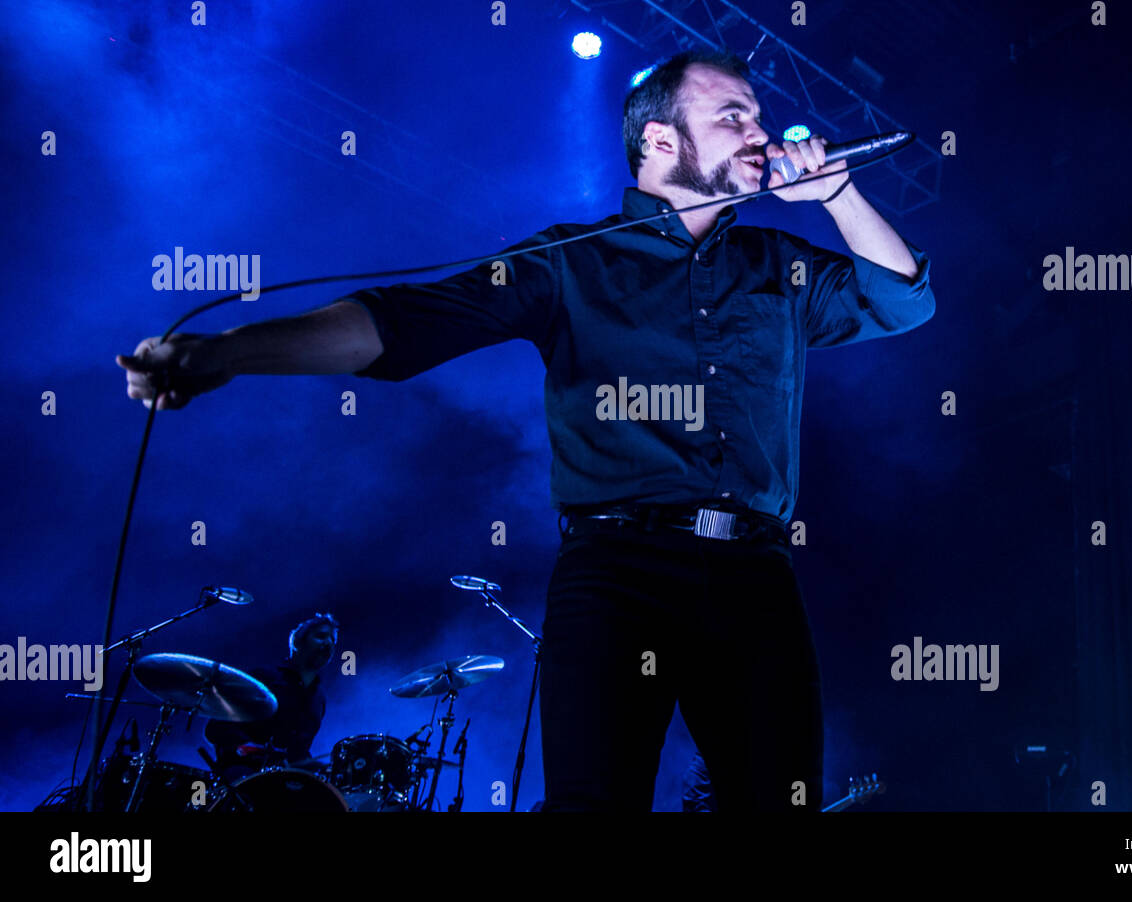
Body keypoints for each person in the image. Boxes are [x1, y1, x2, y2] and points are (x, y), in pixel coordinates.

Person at [117, 49, 935, 811]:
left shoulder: (781, 264)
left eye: (759, 116)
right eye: (734, 116)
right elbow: (406, 324)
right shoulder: (570, 262)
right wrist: (231, 351)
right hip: (618, 571)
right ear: (659, 138)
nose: (761, 133)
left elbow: (905, 299)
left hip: (755, 571)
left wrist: (837, 194)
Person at [204, 613, 338, 781]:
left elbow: (298, 753)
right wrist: (248, 748)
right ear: (297, 642)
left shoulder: (319, 699)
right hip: (244, 771)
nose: (328, 643)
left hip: (285, 779)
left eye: (333, 641)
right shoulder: (262, 678)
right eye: (321, 636)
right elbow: (217, 727)